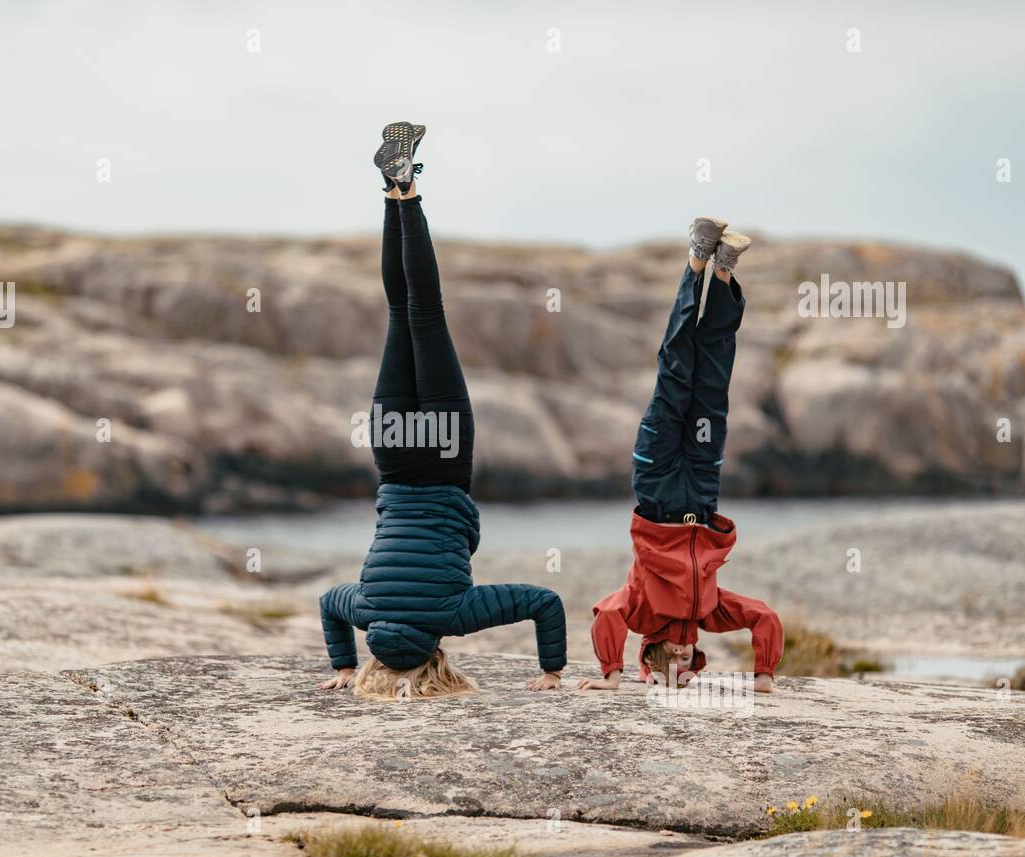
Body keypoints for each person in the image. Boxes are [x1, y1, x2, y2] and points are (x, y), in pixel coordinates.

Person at [318, 122, 567, 700]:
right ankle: (391, 187)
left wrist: (552, 670)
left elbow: (545, 604)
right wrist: (341, 664)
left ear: (436, 652)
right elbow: (328, 604)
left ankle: (405, 186)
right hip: (394, 456)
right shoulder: (366, 607)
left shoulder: (453, 613)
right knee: (400, 311)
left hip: (446, 453)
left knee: (425, 313)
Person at [578, 218, 783, 693]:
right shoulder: (709, 613)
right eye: (687, 669)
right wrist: (765, 676)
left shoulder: (641, 610)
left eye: (668, 664)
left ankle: (696, 259)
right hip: (702, 493)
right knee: (711, 383)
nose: (681, 656)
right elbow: (764, 617)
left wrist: (612, 675)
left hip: (656, 486)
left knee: (674, 372)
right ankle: (725, 271)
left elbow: (607, 614)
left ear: (649, 654)